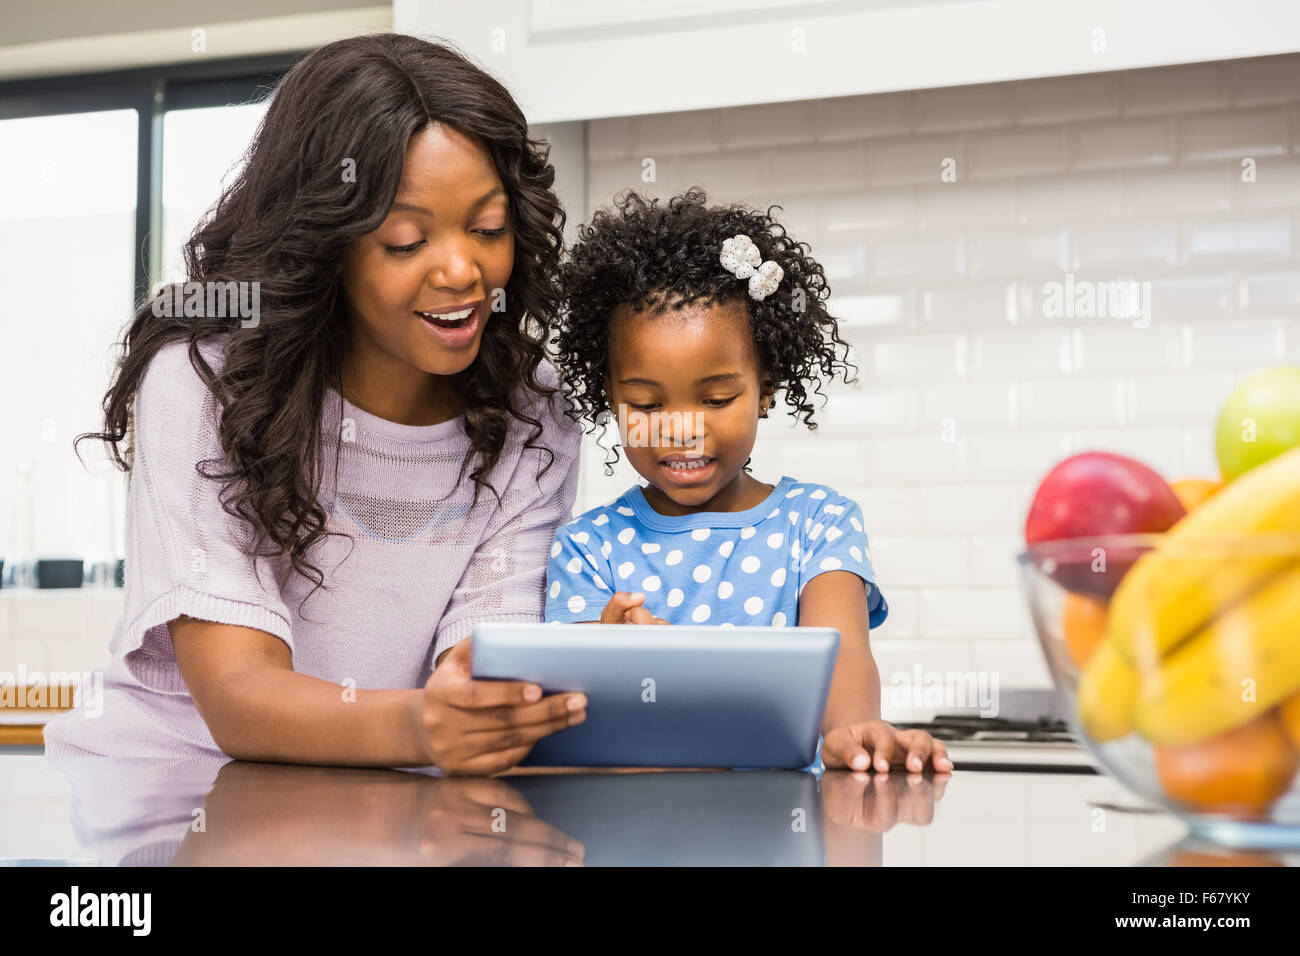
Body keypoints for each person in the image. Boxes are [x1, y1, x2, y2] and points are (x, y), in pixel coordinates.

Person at [44, 33, 588, 774]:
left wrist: (573, 670)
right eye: (406, 240)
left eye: (488, 229)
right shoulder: (204, 381)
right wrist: (424, 726)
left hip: (386, 792)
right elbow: (239, 694)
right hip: (177, 789)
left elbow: (482, 657)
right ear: (324, 245)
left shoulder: (533, 407)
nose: (462, 269)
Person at [543, 188, 952, 774]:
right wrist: (611, 656)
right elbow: (575, 730)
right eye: (646, 403)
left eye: (716, 398)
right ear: (611, 399)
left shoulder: (818, 524)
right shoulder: (588, 547)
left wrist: (857, 737)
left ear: (766, 386)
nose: (682, 430)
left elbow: (844, 670)